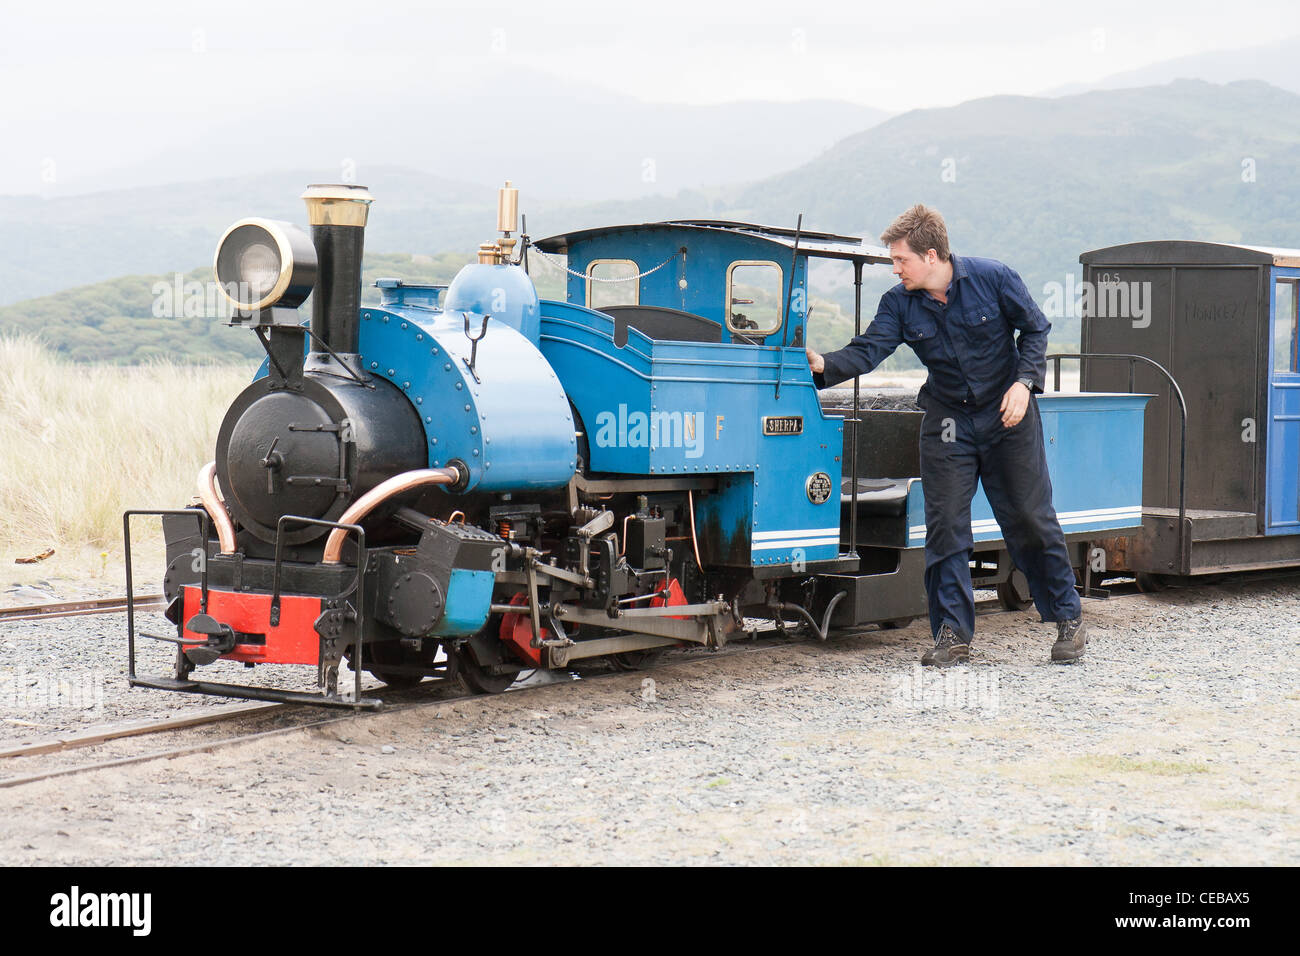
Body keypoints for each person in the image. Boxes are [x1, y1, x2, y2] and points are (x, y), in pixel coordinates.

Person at [807, 204, 1086, 665]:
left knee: (1029, 519)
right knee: (945, 528)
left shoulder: (995, 278)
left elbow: (1036, 328)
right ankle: (953, 634)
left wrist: (1024, 383)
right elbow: (869, 349)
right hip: (948, 423)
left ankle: (1068, 619)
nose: (896, 270)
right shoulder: (899, 302)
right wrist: (823, 366)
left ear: (932, 255)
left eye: (902, 261)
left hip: (1007, 416)